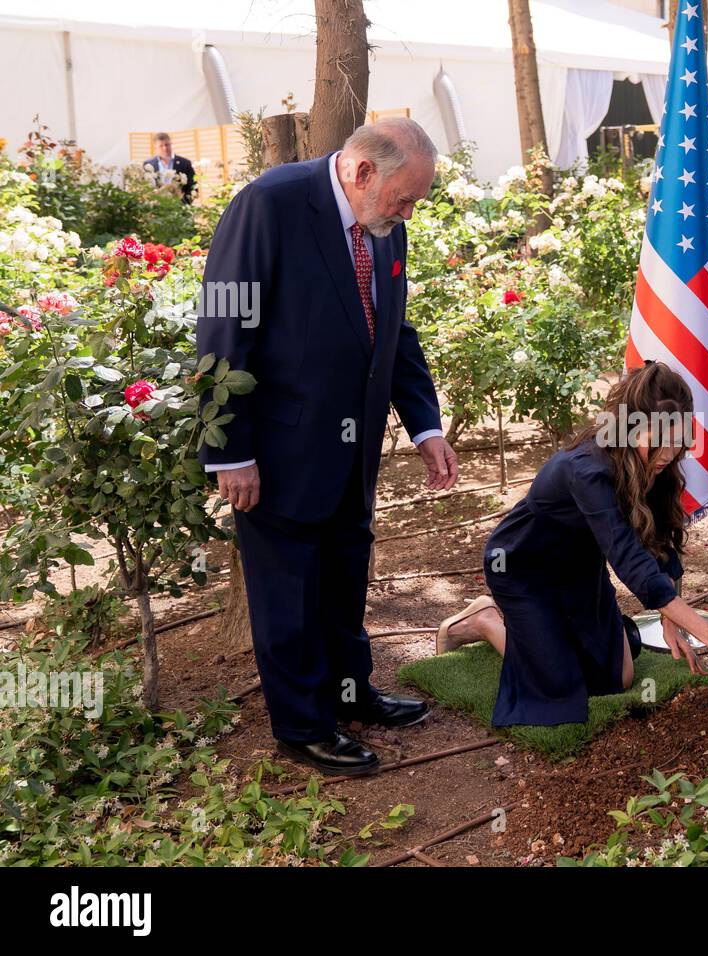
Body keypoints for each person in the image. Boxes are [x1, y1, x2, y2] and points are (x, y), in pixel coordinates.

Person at [196, 118, 461, 775]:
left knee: (344, 580)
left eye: (415, 203)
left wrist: (425, 426)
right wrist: (228, 451)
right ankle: (303, 726)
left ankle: (351, 694)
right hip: (280, 449)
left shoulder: (385, 225)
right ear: (362, 171)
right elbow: (224, 328)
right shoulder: (270, 204)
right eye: (404, 198)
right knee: (288, 594)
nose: (408, 214)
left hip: (353, 448)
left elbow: (397, 331)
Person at [436, 361, 708, 726]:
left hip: (579, 569)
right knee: (560, 690)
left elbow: (659, 538)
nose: (671, 455)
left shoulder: (655, 461)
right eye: (662, 443)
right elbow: (629, 560)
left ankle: (544, 633)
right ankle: (483, 620)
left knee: (616, 680)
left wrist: (670, 618)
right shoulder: (587, 470)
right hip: (525, 569)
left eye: (678, 441)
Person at [143, 133, 196, 204]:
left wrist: (184, 204)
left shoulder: (185, 163)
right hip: (157, 207)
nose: (165, 148)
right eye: (161, 146)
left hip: (180, 206)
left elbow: (193, 186)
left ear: (171, 144)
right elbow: (145, 187)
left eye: (167, 144)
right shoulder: (148, 164)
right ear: (155, 147)